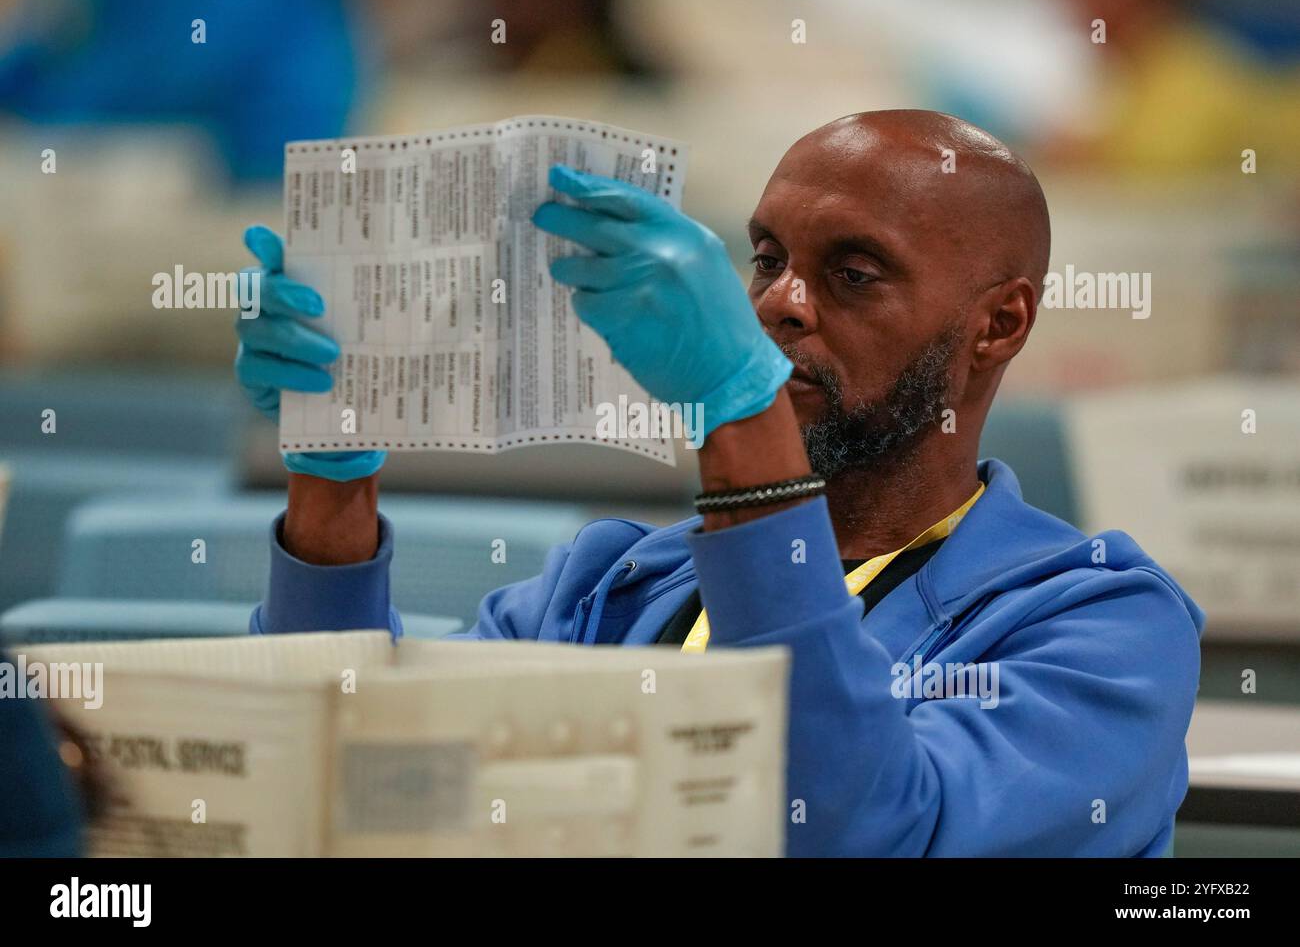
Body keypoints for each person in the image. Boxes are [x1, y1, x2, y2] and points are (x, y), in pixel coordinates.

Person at [234, 110, 1203, 857]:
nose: (780, 303)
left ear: (997, 325)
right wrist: (332, 485)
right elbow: (351, 787)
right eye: (769, 259)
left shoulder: (1101, 627)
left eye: (854, 273)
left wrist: (741, 412)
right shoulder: (610, 586)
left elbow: (847, 830)